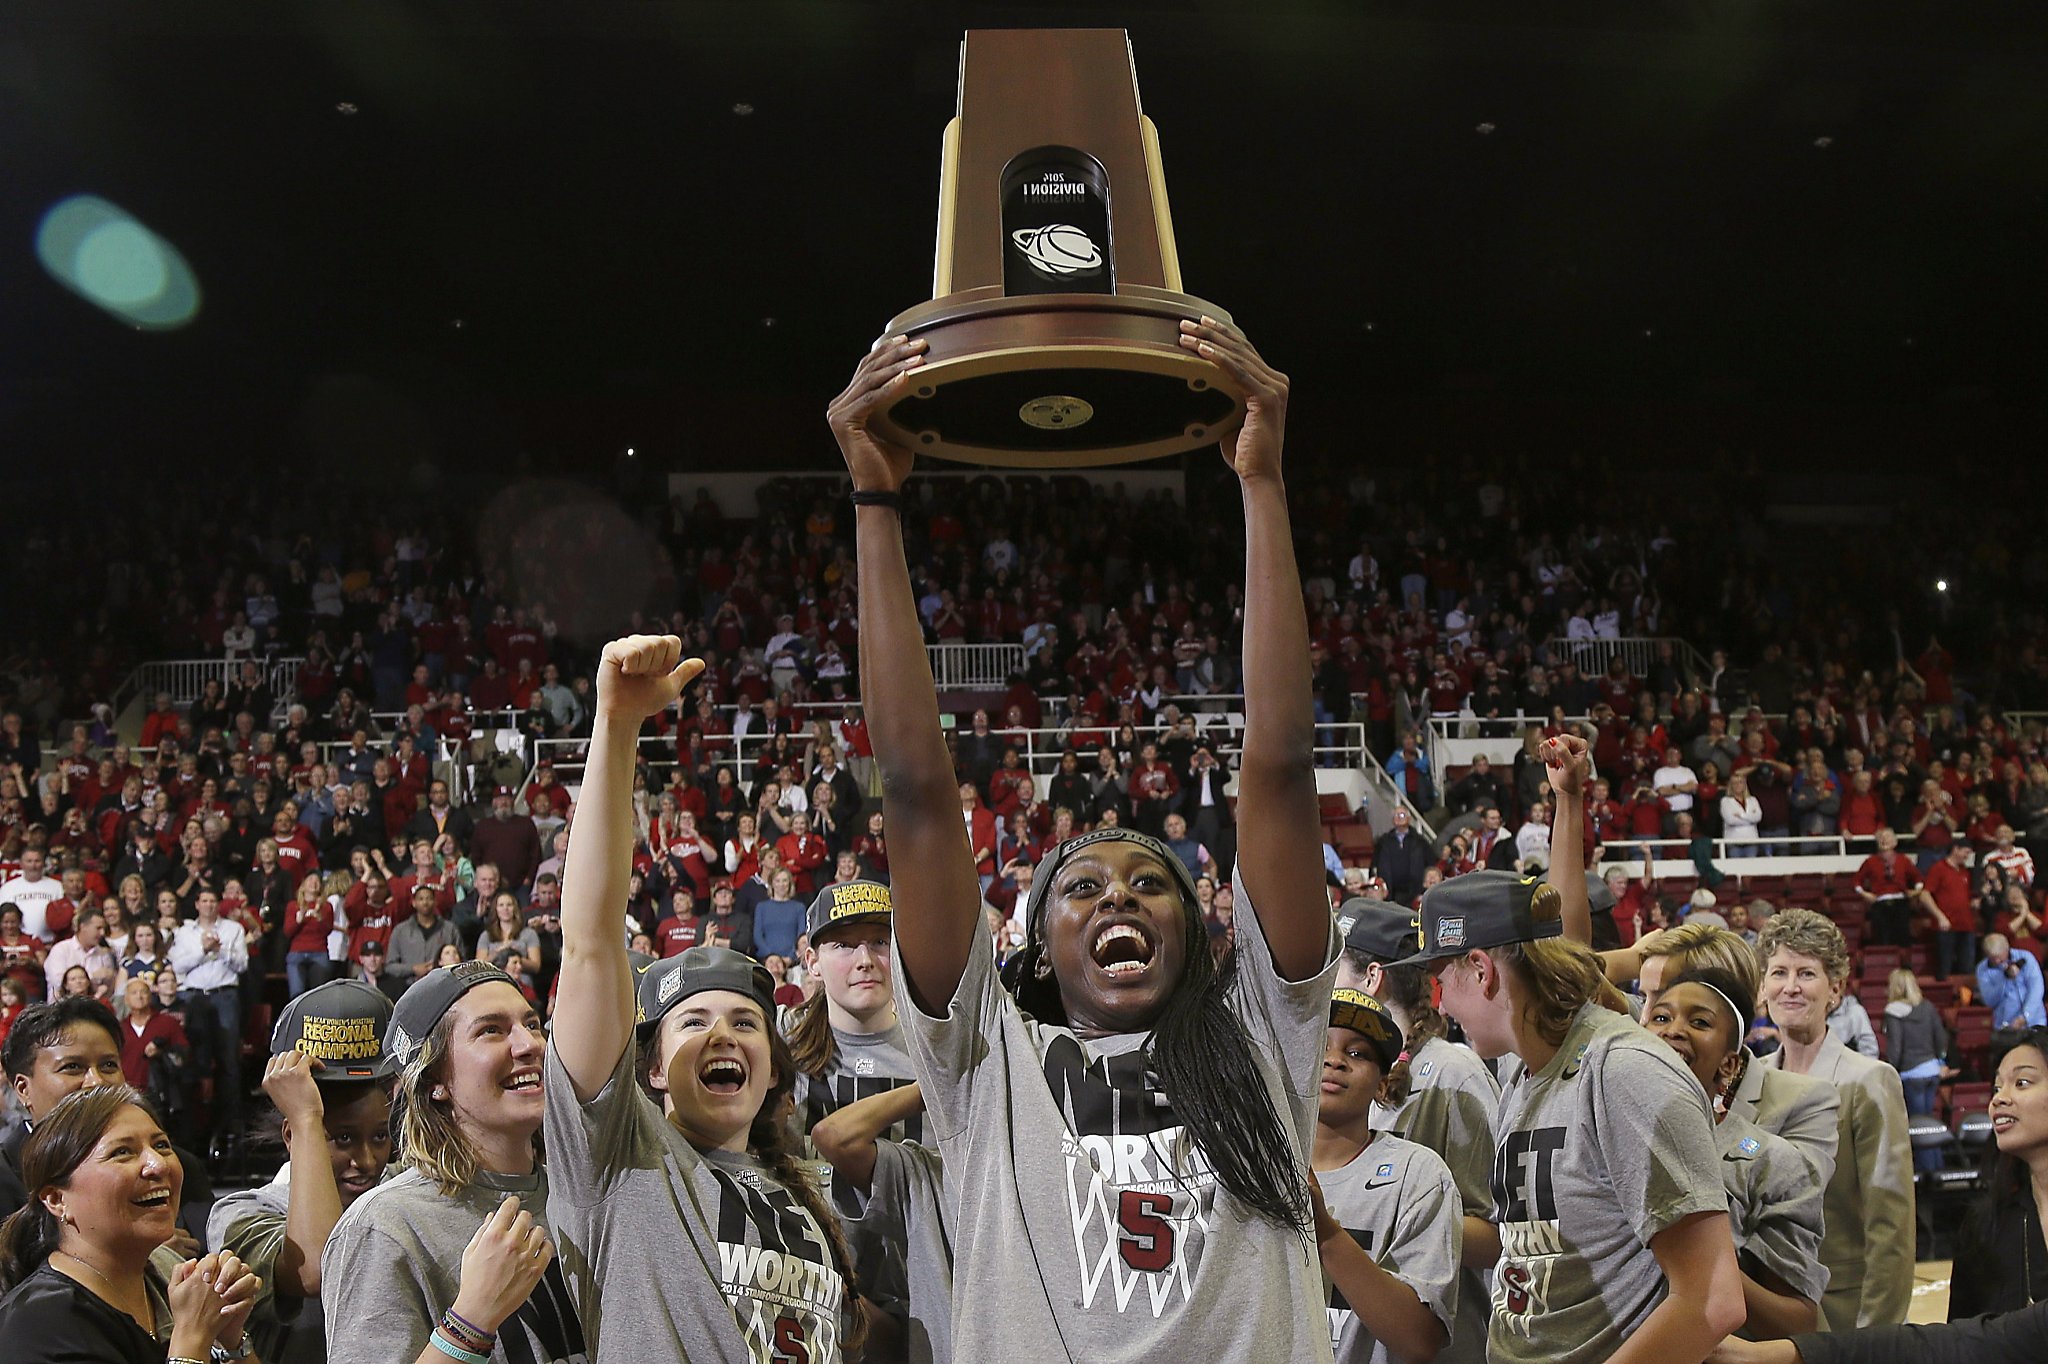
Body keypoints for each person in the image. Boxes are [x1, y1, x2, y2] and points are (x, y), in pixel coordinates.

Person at [831, 318, 1341, 1357]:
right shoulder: (984, 1054)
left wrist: (1261, 482)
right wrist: (874, 500)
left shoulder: (1260, 1032)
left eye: (1149, 881)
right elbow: (917, 791)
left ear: (1199, 928)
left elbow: (1281, 766)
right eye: (1080, 886)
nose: (1116, 894)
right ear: (1030, 943)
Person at [545, 634, 864, 1361]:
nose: (723, 1033)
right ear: (651, 1069)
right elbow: (591, 944)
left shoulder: (806, 1205)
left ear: (775, 1069)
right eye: (693, 1020)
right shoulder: (620, 1159)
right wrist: (617, 726)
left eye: (746, 1021)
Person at [1401, 870, 1744, 1363]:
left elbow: (1712, 1299)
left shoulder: (1624, 1069)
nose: (1442, 1004)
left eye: (1441, 981)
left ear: (1481, 969)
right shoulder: (1524, 1074)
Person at [321, 962, 584, 1364]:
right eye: (491, 1030)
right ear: (434, 1082)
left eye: (531, 1024)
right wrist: (470, 1322)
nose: (529, 1044)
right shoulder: (387, 1226)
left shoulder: (580, 1200)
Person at [1334, 902, 1499, 1364]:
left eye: (1334, 966)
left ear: (1371, 978)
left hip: (1440, 1342)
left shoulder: (1453, 1072)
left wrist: (1397, 1212)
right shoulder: (1331, 1073)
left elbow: (1502, 1236)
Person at [209, 979, 397, 1363]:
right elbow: (318, 1269)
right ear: (292, 1135)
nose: (366, 1161)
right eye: (342, 1139)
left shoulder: (401, 1187)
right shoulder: (242, 1213)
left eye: (380, 1136)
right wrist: (307, 1117)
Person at [0, 1085, 259, 1364]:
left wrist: (229, 1340)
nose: (158, 1165)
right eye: (122, 1152)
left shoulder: (166, 1277)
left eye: (161, 1145)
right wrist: (192, 1337)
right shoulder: (37, 1323)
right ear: (57, 1199)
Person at [1646, 963, 1828, 1338]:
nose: (1674, 1029)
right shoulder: (1591, 1136)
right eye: (1661, 1016)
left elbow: (1798, 1322)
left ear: (1729, 1064)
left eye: (1699, 1022)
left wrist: (1698, 1258)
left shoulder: (1772, 1163)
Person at [1757, 908, 1914, 1330]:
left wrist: (1877, 1340)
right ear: (1762, 986)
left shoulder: (1869, 1080)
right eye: (1778, 973)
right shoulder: (1749, 1083)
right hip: (1764, 1309)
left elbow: (1891, 1224)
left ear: (1835, 990)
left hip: (1843, 1313)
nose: (1790, 988)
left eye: (1806, 974)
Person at [1312, 987, 1459, 1364]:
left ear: (1382, 1084)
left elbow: (1420, 1340)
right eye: (1319, 1045)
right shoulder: (1251, 1167)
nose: (1334, 1061)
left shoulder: (1420, 1176)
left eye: (1357, 1053)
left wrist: (1326, 1233)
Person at [1, 997, 212, 1250]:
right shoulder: (5, 1175)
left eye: (109, 1065)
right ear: (23, 1089)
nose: (96, 1081)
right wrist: (134, 1259)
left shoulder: (173, 1168)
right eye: (72, 1067)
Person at [785, 879, 920, 1143]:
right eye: (844, 946)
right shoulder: (781, 1039)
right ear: (813, 963)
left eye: (880, 942)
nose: (865, 961)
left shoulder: (933, 1048)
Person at [1947, 1024, 2048, 1317]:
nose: (1998, 1099)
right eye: (1996, 1087)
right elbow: (1963, 1340)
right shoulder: (1983, 1227)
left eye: (2022, 1083)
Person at [1881, 970, 1949, 1171]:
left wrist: (1890, 1072)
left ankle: (1928, 1173)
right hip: (1931, 1071)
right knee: (1929, 1120)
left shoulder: (1893, 1011)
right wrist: (1940, 1061)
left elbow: (1895, 1048)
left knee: (1918, 1126)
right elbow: (1941, 1038)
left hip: (1911, 1075)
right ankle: (1939, 1168)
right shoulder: (1927, 1007)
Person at [1977, 933, 2046, 1034]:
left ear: (2007, 949)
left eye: (1999, 957)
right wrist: (2004, 977)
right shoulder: (1982, 969)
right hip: (2005, 1025)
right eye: (1992, 958)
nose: (1997, 961)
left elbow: (2036, 989)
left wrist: (2025, 1016)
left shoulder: (2026, 958)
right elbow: (1990, 1000)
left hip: (2034, 1021)